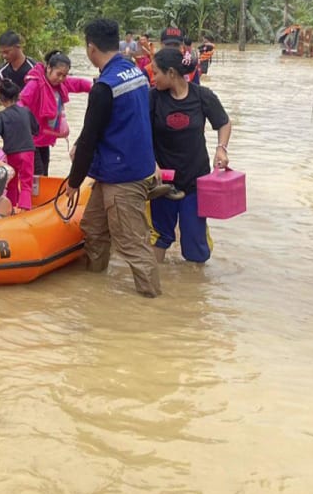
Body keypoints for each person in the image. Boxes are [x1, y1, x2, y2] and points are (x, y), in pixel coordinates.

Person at [64, 18, 162, 298]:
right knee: (93, 229)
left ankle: (153, 304)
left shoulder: (104, 87)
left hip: (123, 177)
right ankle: (96, 291)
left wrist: (74, 182)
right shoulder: (134, 71)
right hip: (120, 167)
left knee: (132, 244)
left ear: (91, 48)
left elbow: (89, 139)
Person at [149, 47, 232, 263]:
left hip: (195, 181)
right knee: (159, 236)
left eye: (156, 73)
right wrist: (151, 162)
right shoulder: (153, 98)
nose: (153, 78)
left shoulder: (202, 96)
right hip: (162, 183)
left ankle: (195, 283)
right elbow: (140, 134)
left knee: (195, 241)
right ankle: (156, 278)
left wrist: (221, 148)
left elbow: (223, 123)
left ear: (171, 73)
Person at [20, 50, 93, 176]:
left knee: (44, 174)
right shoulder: (35, 84)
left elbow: (80, 84)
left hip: (43, 140)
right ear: (49, 68)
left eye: (64, 75)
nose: (61, 78)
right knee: (38, 176)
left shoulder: (61, 83)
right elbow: (21, 103)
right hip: (30, 140)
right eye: (58, 74)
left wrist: (97, 86)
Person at [0, 80, 38, 211]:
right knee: (26, 183)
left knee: (12, 182)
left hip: (12, 153)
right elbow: (36, 129)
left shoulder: (0, 116)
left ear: (1, 98)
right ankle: (25, 209)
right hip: (28, 151)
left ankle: (11, 208)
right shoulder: (26, 111)